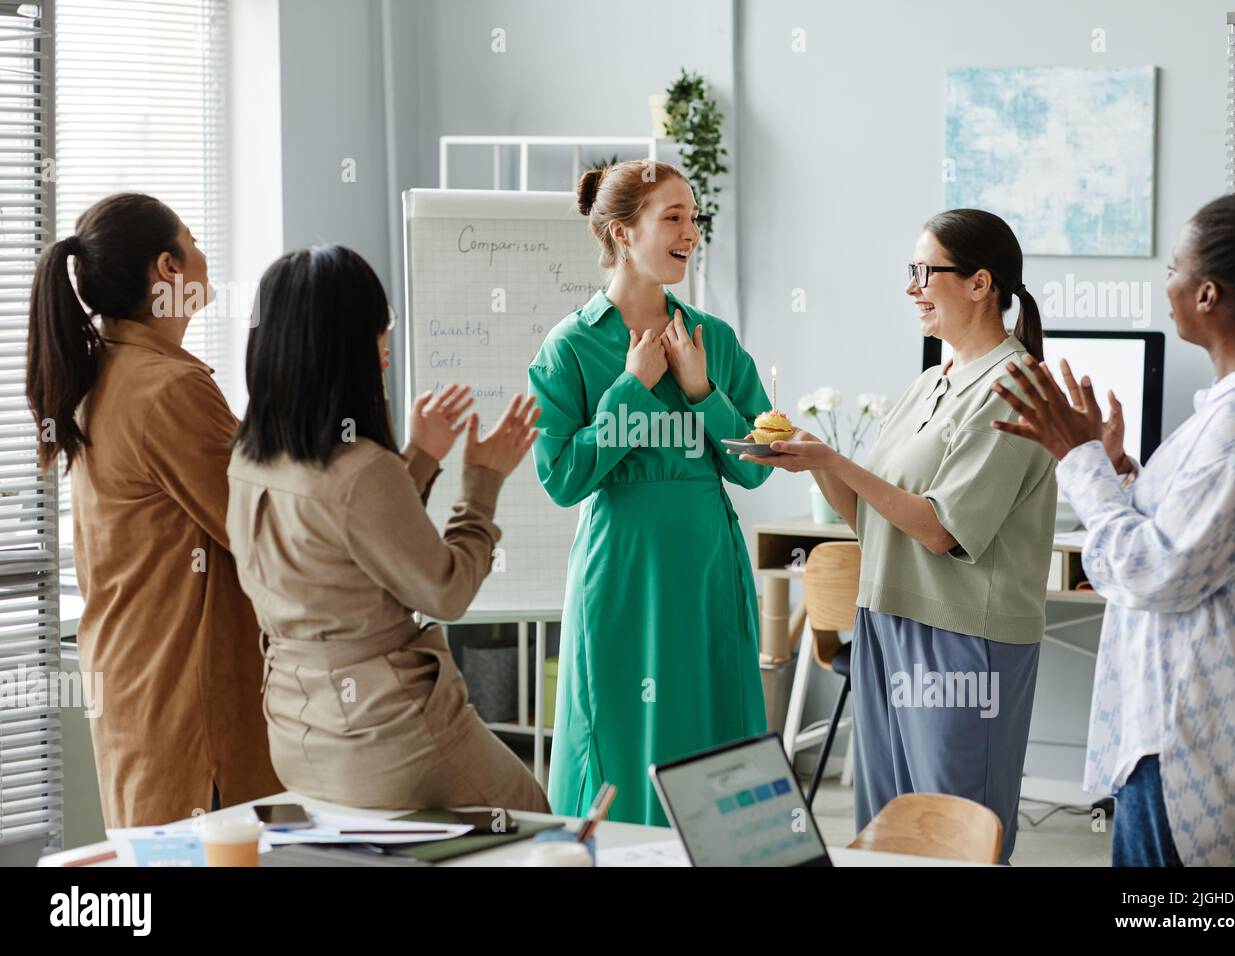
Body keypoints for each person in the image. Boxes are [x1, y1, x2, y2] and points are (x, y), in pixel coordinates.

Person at [991, 193, 1235, 867]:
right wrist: (1119, 469)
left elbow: (1151, 571)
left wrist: (1077, 460)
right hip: (1201, 740)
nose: (1167, 286)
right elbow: (1203, 541)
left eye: (1172, 269)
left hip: (1190, 755)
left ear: (1208, 294)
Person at [746, 209, 1057, 864]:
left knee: (952, 833)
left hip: (964, 640)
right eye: (909, 272)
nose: (912, 287)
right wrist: (816, 458)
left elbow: (942, 529)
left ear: (980, 283)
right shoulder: (931, 382)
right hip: (886, 621)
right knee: (888, 835)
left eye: (924, 272)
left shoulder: (1018, 384)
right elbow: (874, 519)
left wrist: (835, 461)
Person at [227, 244, 548, 813]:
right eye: (380, 333)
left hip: (296, 728)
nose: (386, 351)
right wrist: (482, 483)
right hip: (389, 734)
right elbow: (445, 592)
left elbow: (354, 540)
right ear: (344, 347)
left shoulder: (250, 460)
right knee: (529, 817)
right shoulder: (360, 470)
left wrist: (421, 457)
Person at [24, 193, 280, 827]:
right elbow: (261, 528)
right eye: (192, 242)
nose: (203, 255)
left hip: (143, 696)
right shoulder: (169, 388)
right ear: (168, 268)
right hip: (191, 711)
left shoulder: (110, 371)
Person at [528, 160, 771, 825]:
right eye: (673, 218)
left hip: (707, 572)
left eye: (694, 218)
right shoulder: (569, 348)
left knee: (714, 728)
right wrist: (630, 388)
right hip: (623, 575)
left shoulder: (712, 340)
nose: (691, 232)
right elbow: (562, 479)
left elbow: (755, 465)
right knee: (616, 734)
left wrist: (701, 392)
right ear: (621, 231)